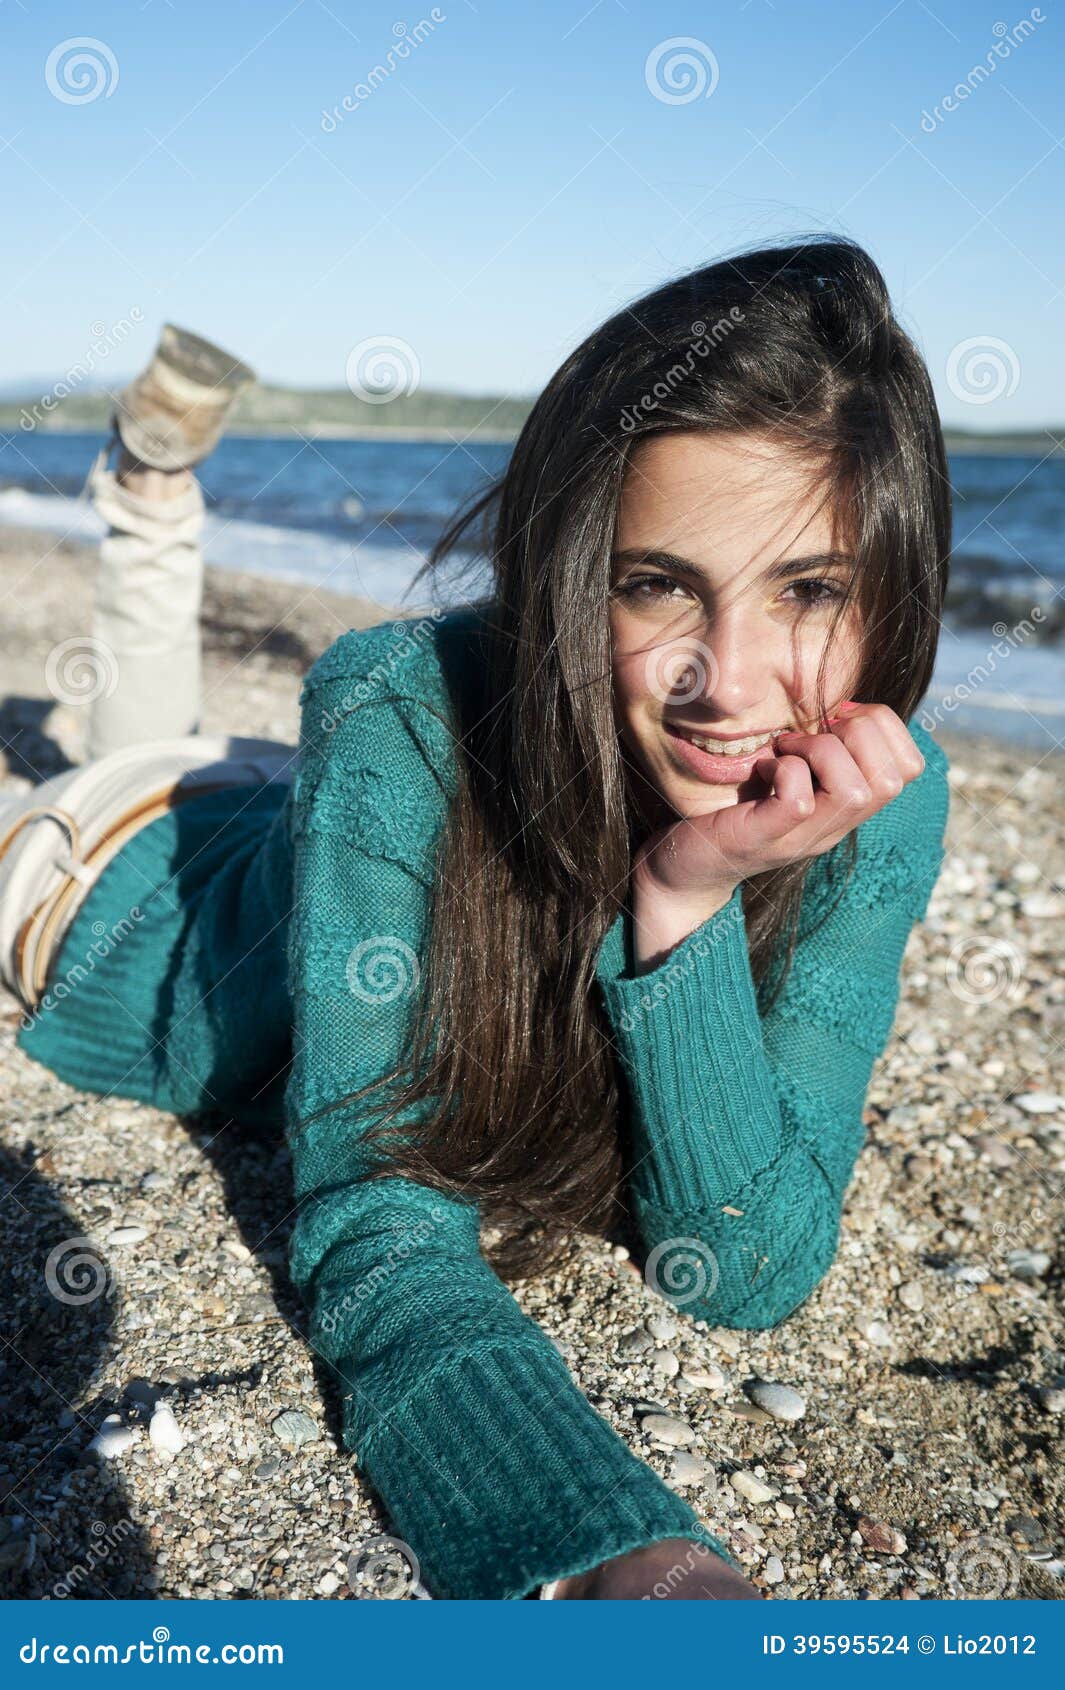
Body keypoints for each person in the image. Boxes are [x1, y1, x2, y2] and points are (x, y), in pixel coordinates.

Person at [0, 234, 950, 1601]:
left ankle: (153, 477)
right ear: (571, 567)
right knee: (137, 748)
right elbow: (378, 1212)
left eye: (807, 589)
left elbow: (748, 1267)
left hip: (292, 815)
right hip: (103, 874)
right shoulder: (393, 707)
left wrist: (684, 892)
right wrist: (615, 1558)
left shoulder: (880, 789)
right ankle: (150, 493)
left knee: (202, 740)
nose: (723, 686)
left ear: (893, 589)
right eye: (655, 581)